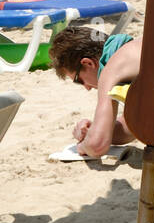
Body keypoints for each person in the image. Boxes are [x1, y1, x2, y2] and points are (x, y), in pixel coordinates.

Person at [48, 21, 142, 157]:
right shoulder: (137, 48)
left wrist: (83, 145)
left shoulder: (112, 67)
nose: (86, 87)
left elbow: (97, 146)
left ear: (88, 63)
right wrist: (95, 129)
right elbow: (133, 127)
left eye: (78, 80)